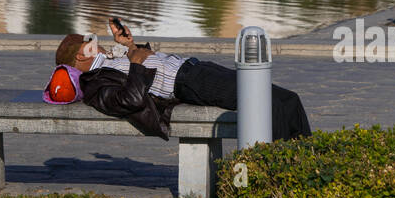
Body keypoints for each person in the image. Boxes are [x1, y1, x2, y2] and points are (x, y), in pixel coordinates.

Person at [52, 19, 311, 141]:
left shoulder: (107, 62)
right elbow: (128, 99)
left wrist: (129, 45)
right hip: (189, 82)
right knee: (272, 104)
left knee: (287, 99)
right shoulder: (95, 84)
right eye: (89, 43)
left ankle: (303, 164)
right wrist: (136, 63)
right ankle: (280, 176)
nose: (94, 43)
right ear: (80, 55)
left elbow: (141, 60)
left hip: (195, 68)